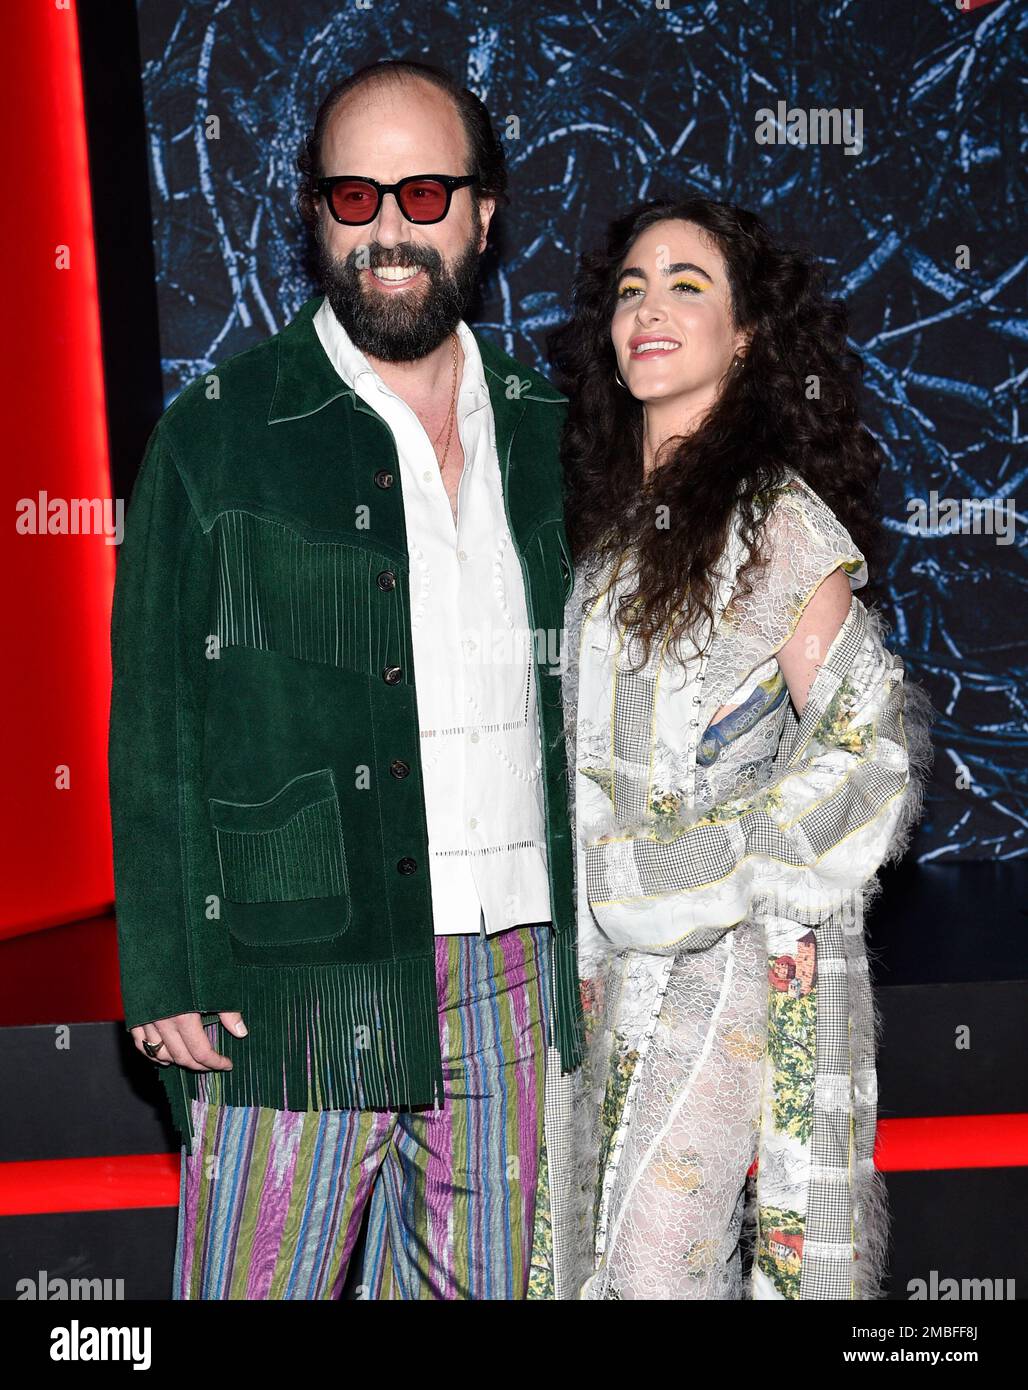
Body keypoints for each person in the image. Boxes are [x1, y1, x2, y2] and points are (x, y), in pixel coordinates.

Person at [107, 58, 583, 1301]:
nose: (387, 228)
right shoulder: (221, 429)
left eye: (423, 195)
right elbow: (155, 714)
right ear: (315, 216)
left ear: (484, 215)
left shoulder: (554, 429)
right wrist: (167, 966)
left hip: (517, 974)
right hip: (294, 980)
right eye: (353, 195)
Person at [531, 196, 933, 1300]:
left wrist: (691, 872)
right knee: (596, 1268)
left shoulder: (776, 523)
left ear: (747, 334)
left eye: (685, 284)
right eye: (628, 288)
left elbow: (875, 752)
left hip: (717, 974)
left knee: (654, 1261)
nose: (646, 309)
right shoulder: (610, 530)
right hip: (599, 980)